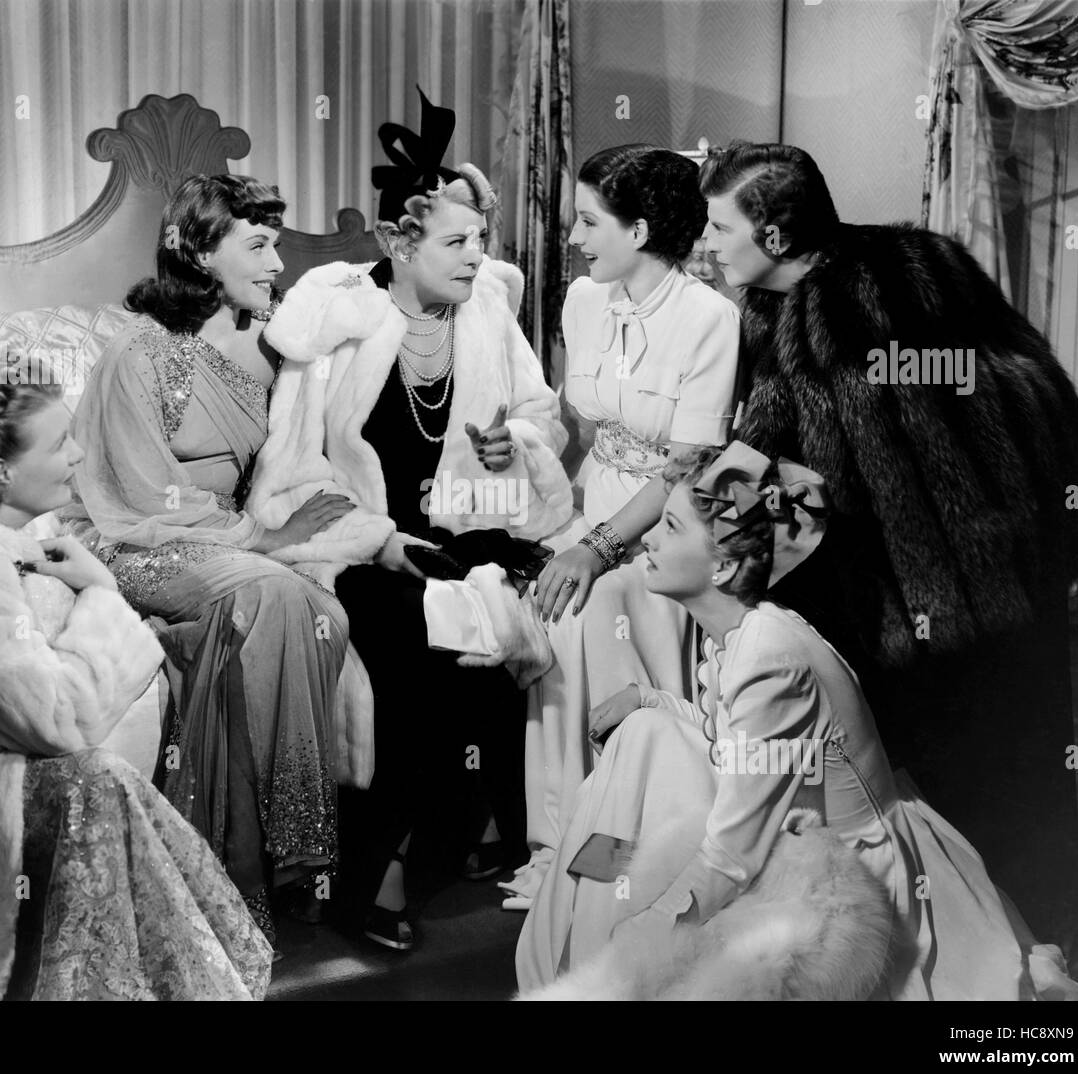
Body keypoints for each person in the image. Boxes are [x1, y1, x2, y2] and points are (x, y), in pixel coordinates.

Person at [694, 141, 1078, 929]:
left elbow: (833, 449)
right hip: (984, 548)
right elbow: (775, 442)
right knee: (1007, 736)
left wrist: (710, 519)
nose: (706, 245)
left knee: (976, 746)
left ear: (776, 237)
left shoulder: (851, 312)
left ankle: (999, 930)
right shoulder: (875, 271)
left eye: (720, 229)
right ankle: (1007, 909)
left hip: (974, 551)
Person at [516, 442, 1078, 1000]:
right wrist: (650, 701)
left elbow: (731, 853)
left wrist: (645, 932)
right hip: (802, 842)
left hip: (856, 880)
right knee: (645, 738)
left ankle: (579, 963)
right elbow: (733, 739)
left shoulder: (770, 655)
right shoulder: (746, 633)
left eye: (669, 528)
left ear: (721, 567)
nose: (647, 541)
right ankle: (569, 955)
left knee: (660, 915)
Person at [0, 368, 271, 1001]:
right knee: (92, 783)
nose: (80, 454)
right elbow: (62, 720)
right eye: (60, 442)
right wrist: (103, 592)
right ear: (1, 473)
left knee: (95, 784)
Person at [251, 89, 574, 949]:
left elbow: (546, 416)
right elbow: (295, 468)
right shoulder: (340, 330)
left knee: (495, 615)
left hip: (476, 526)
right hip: (359, 540)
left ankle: (474, 823)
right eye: (456, 243)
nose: (476, 258)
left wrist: (518, 448)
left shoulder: (490, 314)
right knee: (407, 642)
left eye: (481, 242)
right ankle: (375, 867)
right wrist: (377, 538)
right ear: (401, 243)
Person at [68, 174, 356, 940]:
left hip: (229, 537)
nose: (275, 263)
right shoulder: (141, 352)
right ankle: (267, 853)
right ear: (197, 250)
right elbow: (134, 495)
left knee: (320, 608)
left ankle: (266, 851)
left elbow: (296, 457)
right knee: (274, 595)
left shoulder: (273, 344)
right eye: (257, 244)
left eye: (278, 244)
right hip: (136, 538)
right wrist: (256, 542)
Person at [501, 145, 740, 909]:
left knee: (599, 611)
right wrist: (546, 503)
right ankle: (557, 843)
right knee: (550, 621)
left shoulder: (710, 319)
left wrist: (597, 549)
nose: (573, 237)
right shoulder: (581, 300)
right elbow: (583, 430)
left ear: (639, 231)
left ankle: (621, 850)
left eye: (588, 220)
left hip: (671, 523)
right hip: (591, 499)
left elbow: (685, 465)